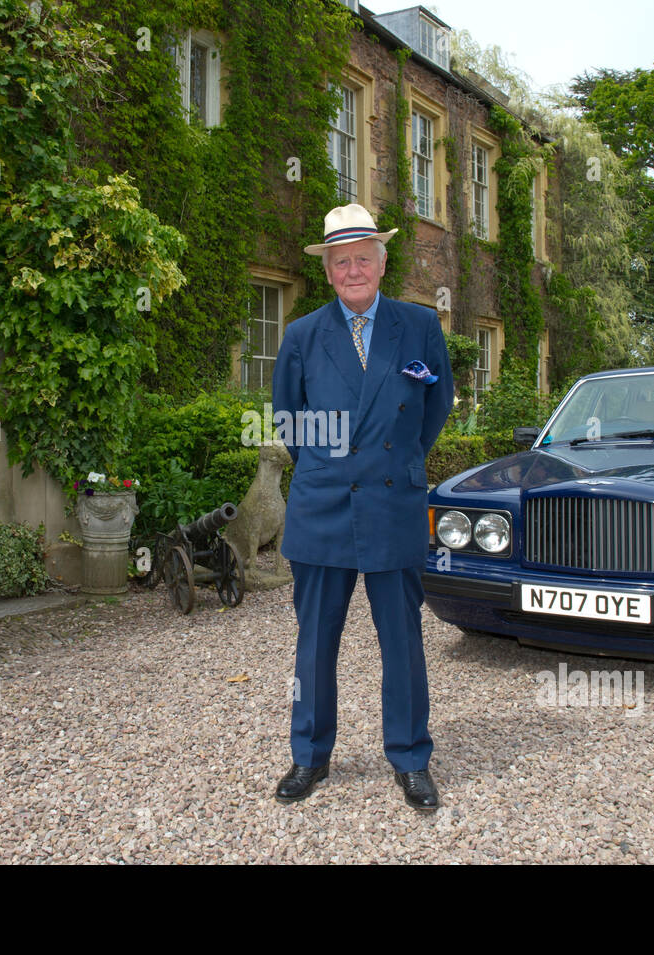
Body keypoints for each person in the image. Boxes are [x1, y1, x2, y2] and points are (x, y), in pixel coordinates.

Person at [271, 203, 454, 810]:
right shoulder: (301, 335)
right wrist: (328, 468)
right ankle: (309, 756)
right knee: (314, 644)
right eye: (341, 260)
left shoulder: (420, 326)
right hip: (321, 507)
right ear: (327, 271)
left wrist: (399, 461)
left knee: (401, 640)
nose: (353, 269)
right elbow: (289, 419)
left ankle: (409, 758)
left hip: (393, 504)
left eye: (363, 258)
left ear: (382, 261)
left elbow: (435, 407)